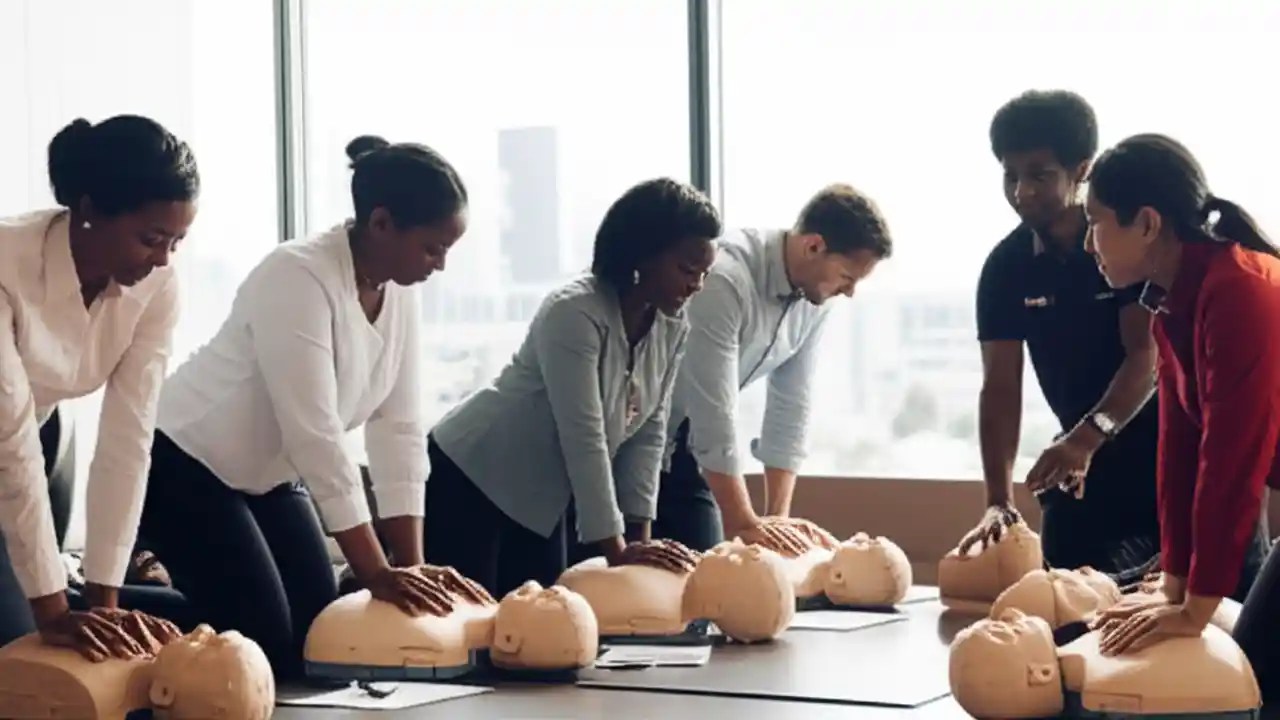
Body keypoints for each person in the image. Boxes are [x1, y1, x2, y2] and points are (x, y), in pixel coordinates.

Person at [137, 136, 465, 679]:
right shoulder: (297, 274)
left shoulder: (399, 291)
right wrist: (376, 572)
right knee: (261, 641)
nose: (441, 266)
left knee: (318, 632)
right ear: (381, 223)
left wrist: (411, 569)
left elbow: (399, 429)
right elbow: (316, 434)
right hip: (182, 460)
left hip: (268, 474)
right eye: (433, 249)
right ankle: (95, 605)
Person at [425, 177, 720, 598]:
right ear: (643, 255)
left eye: (705, 273)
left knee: (541, 630)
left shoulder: (672, 323)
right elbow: (584, 436)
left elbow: (650, 432)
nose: (697, 286)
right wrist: (616, 550)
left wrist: (640, 538)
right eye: (687, 271)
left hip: (542, 493)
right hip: (475, 474)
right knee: (475, 628)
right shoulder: (574, 311)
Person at [1082, 133, 1279, 703]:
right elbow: (1181, 453)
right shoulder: (1171, 304)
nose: (1091, 245)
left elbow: (1233, 460)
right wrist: (1174, 585)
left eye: (1096, 224)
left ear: (1146, 222)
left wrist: (1197, 607)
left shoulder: (1241, 288)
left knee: (1260, 666)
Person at [1, 115, 196, 656]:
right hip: (9, 441)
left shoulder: (158, 284)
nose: (162, 259)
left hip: (38, 432)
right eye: (151, 238)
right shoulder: (5, 263)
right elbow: (8, 448)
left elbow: (127, 441)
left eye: (176, 241)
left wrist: (105, 602)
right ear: (88, 211)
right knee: (20, 647)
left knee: (79, 638)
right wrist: (52, 609)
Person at [651, 184, 891, 553]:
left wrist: (776, 525)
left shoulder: (816, 299)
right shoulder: (725, 279)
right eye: (847, 276)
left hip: (684, 447)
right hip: (630, 439)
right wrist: (743, 522)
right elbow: (714, 415)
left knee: (703, 583)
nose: (850, 292)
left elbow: (791, 407)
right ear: (814, 246)